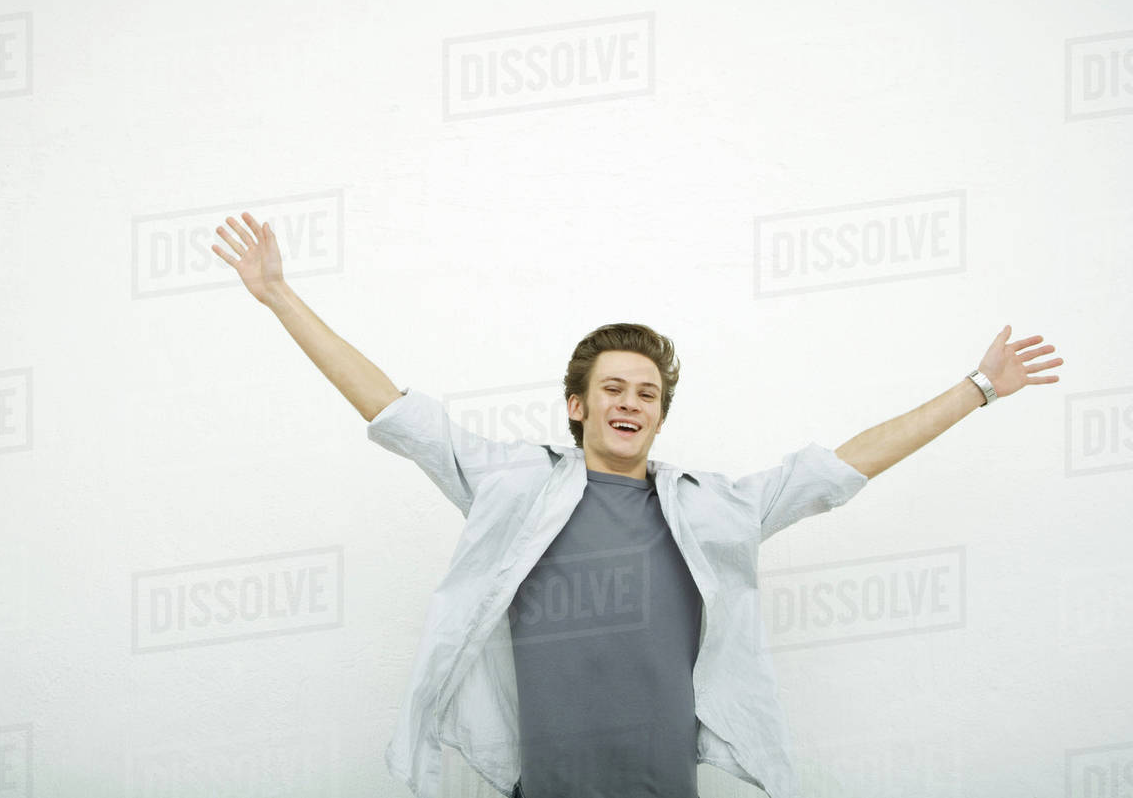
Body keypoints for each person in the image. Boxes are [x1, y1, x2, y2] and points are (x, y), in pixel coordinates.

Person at [213, 212, 1065, 798]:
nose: (630, 401)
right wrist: (281, 294)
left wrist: (979, 388)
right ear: (577, 404)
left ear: (660, 412)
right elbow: (399, 413)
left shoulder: (715, 511)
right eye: (611, 387)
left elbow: (839, 467)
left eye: (646, 392)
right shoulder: (511, 487)